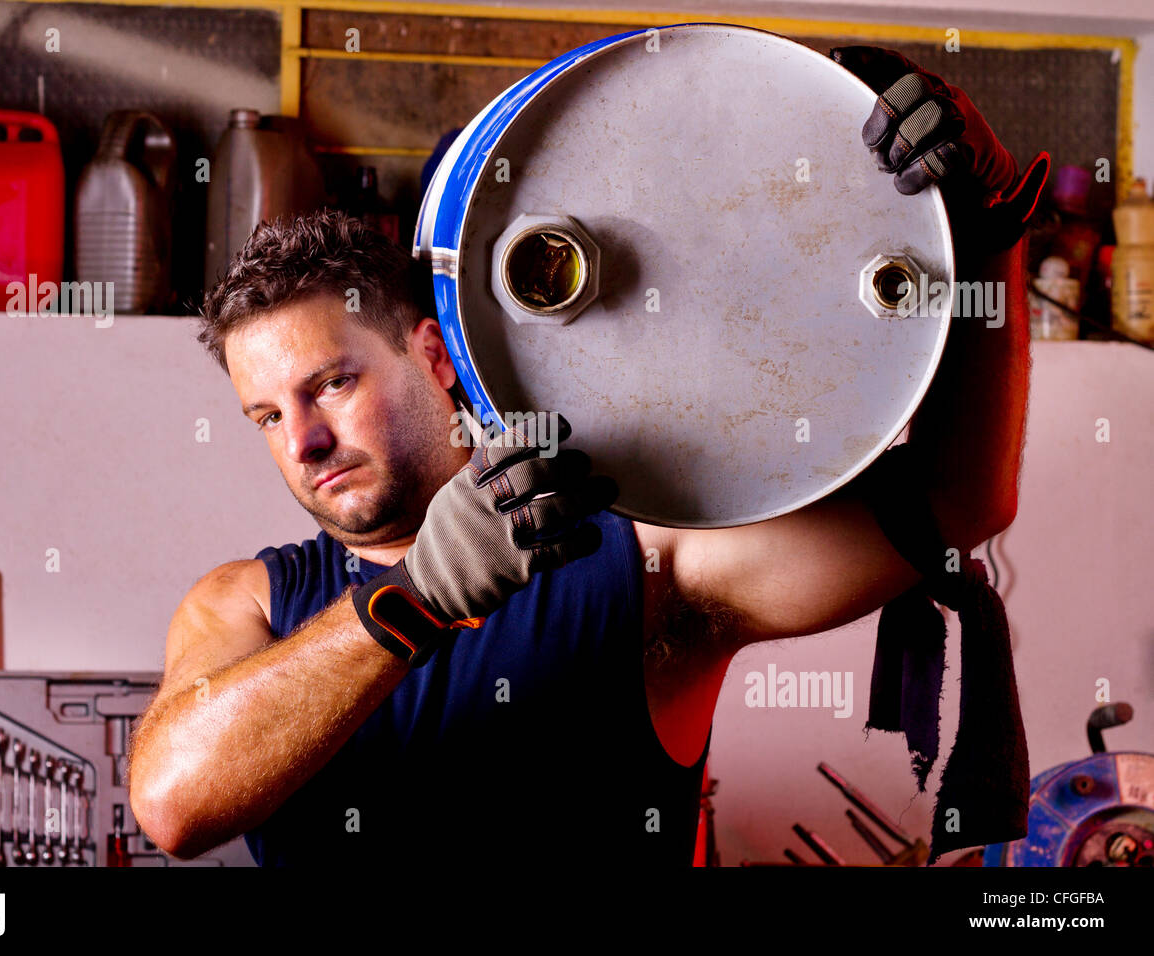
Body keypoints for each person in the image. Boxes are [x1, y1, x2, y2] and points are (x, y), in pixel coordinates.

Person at [127, 45, 1041, 867]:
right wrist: (417, 600)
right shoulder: (247, 601)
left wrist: (988, 224)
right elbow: (173, 807)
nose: (303, 439)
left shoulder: (643, 564)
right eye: (264, 416)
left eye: (330, 384)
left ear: (434, 355)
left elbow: (957, 503)